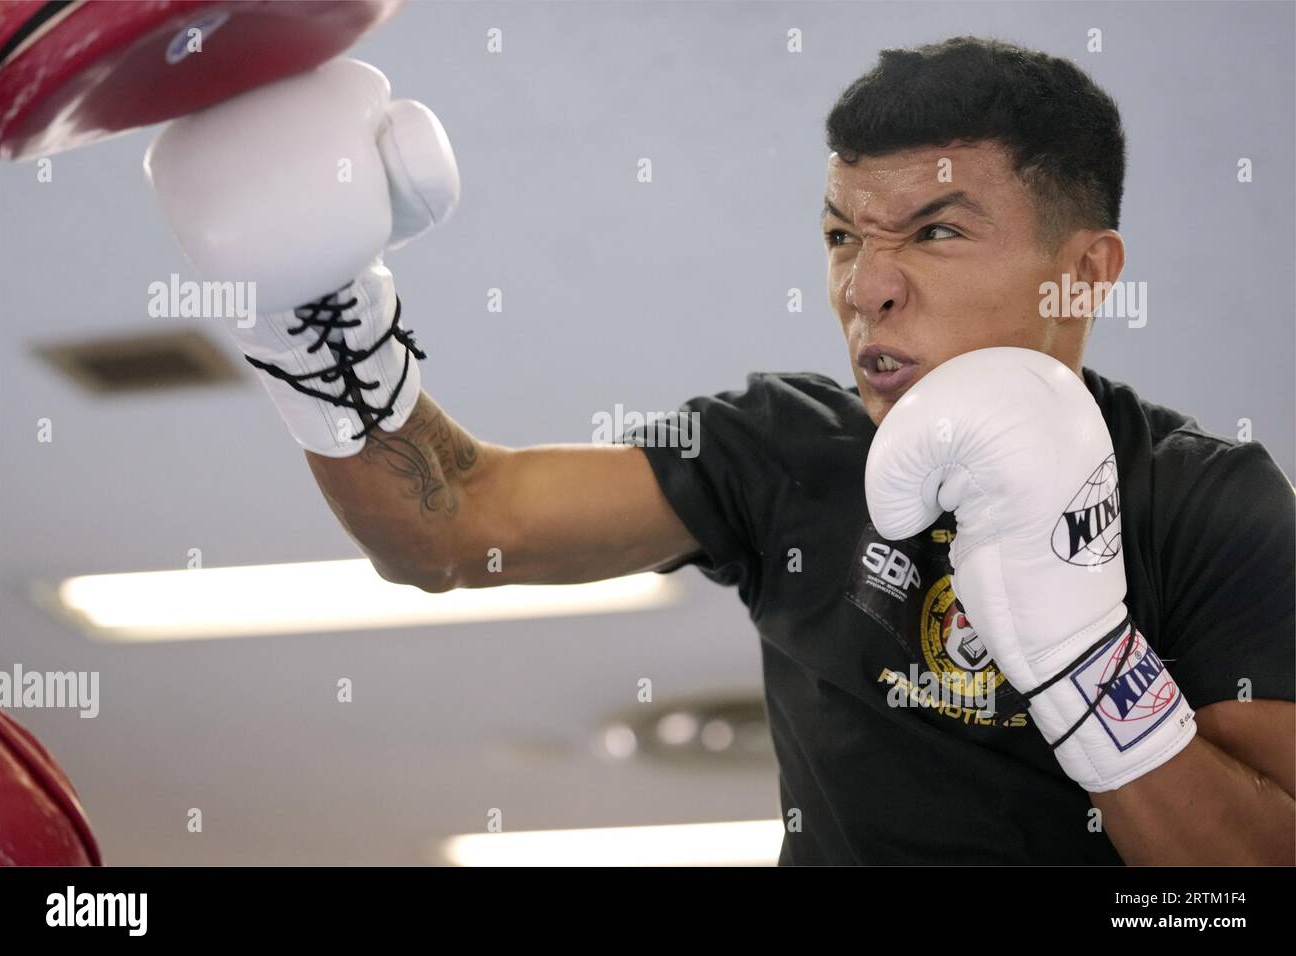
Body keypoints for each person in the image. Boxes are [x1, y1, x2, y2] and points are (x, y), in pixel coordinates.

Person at [147, 37, 1294, 865]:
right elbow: (454, 529)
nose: (866, 284)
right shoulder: (786, 448)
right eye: (841, 234)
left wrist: (1089, 669)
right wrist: (313, 316)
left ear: (1084, 270)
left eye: (934, 232)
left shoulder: (1204, 500)